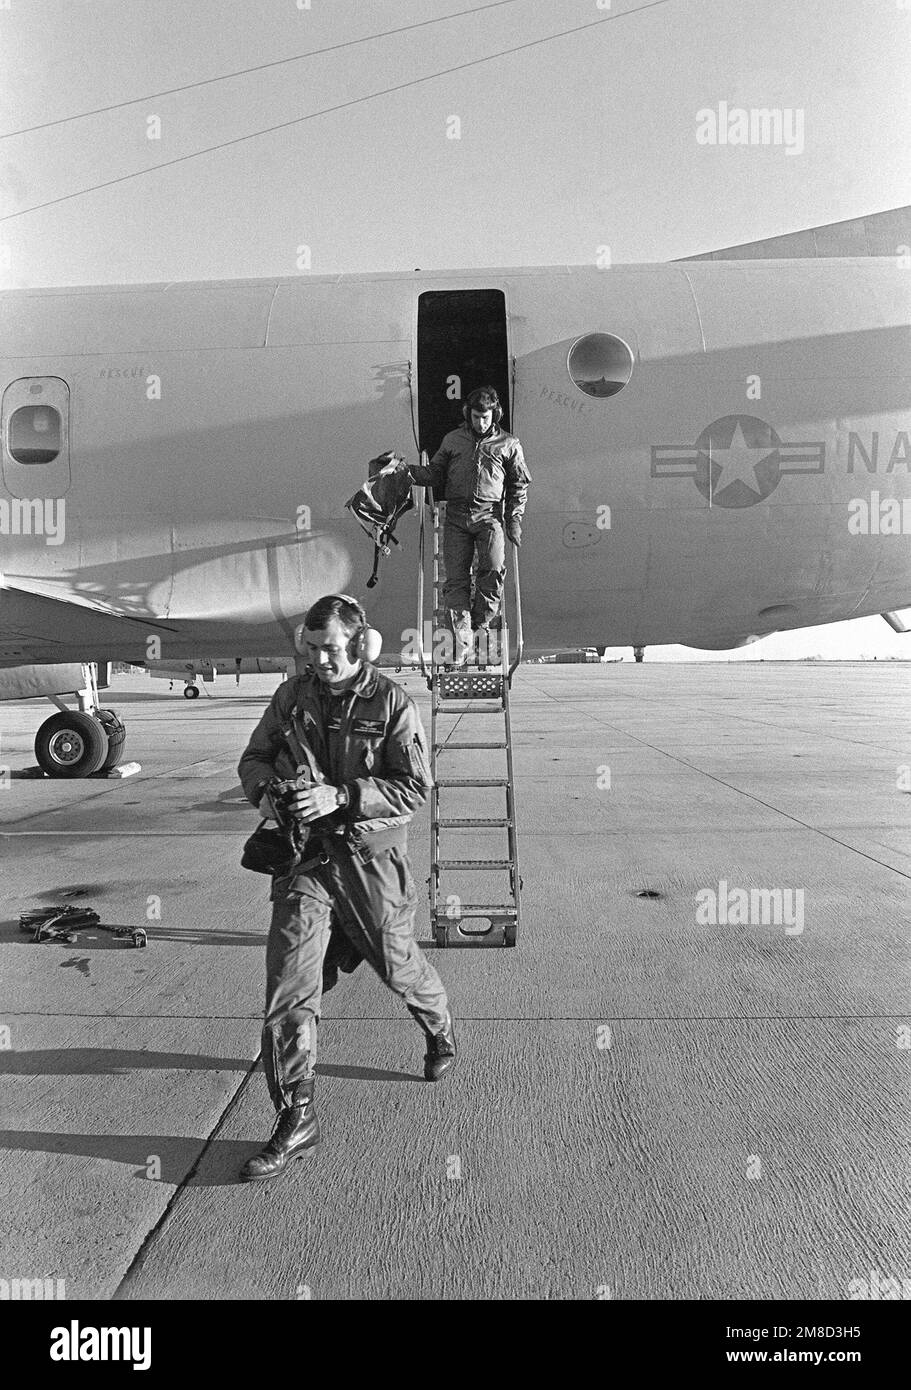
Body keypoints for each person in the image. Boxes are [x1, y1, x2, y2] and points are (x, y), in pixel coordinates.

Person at [237, 593, 455, 1183]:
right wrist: (268, 793)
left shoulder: (390, 702)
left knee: (398, 964)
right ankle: (297, 1115)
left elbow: (414, 787)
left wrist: (342, 796)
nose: (319, 661)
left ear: (358, 644)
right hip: (306, 861)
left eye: (329, 650)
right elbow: (254, 758)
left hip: (370, 863)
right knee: (288, 985)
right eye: (310, 650)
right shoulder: (292, 695)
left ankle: (438, 1029)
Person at [408, 386, 531, 666]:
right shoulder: (453, 440)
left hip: (489, 516)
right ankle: (461, 642)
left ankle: (480, 627)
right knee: (456, 582)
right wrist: (406, 471)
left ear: (495, 414)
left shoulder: (509, 444)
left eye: (486, 417)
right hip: (457, 517)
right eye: (476, 417)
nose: (481, 423)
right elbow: (433, 473)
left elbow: (518, 485)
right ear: (469, 414)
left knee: (493, 570)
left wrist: (514, 519)